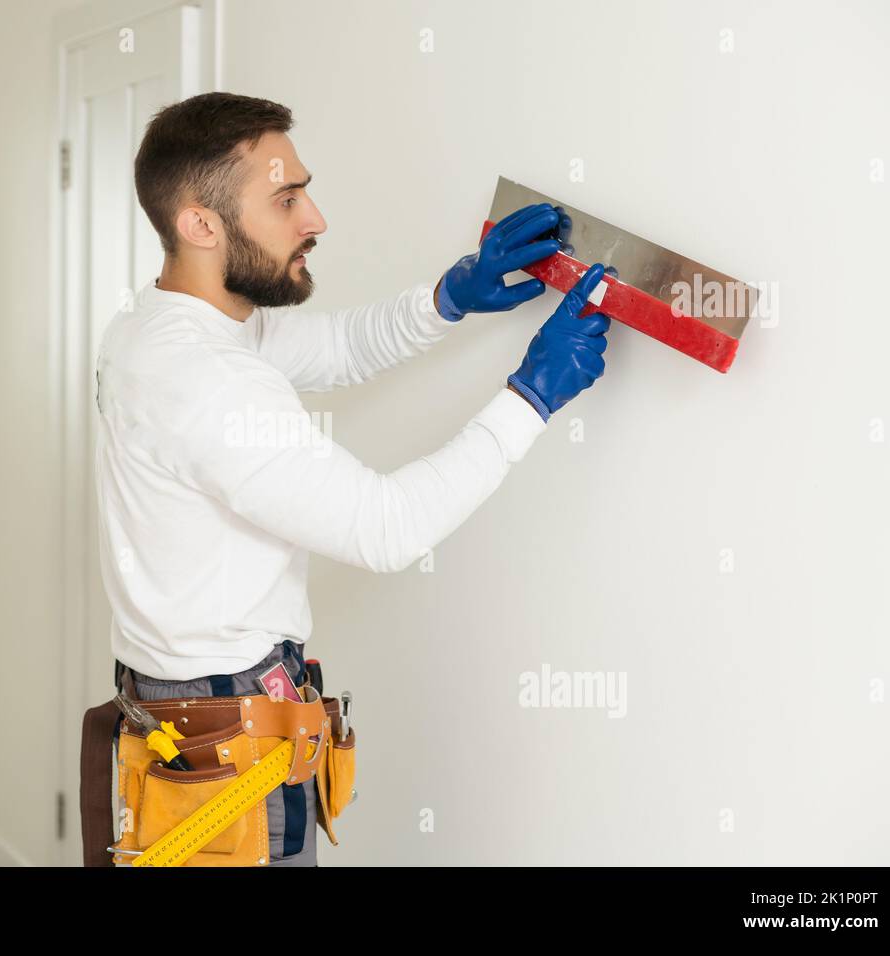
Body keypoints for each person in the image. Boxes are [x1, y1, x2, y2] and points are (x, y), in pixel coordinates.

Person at [95, 91, 611, 866]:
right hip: (229, 744)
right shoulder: (209, 379)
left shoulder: (159, 323)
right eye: (286, 199)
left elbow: (335, 348)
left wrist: (449, 297)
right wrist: (530, 398)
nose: (316, 219)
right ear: (200, 224)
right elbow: (387, 528)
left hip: (190, 720)